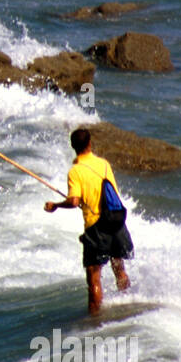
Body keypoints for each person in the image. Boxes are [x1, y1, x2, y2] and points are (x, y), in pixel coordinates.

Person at [43, 128, 133, 315]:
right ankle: (128, 306)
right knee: (119, 270)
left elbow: (74, 201)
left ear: (73, 147)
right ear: (90, 144)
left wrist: (57, 205)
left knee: (94, 279)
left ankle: (94, 321)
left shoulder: (75, 172)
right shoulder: (104, 164)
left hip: (96, 228)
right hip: (116, 222)